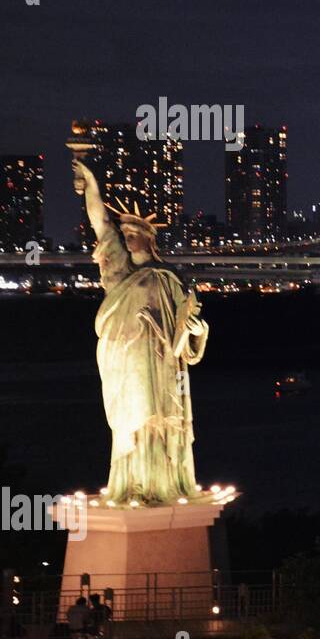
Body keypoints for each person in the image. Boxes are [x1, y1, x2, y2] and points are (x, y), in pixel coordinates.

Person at [72, 158, 209, 505]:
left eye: (134, 236)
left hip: (162, 363)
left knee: (159, 417)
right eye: (126, 235)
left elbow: (188, 328)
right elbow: (100, 223)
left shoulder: (168, 278)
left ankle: (159, 483)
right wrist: (90, 184)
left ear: (149, 240)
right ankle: (133, 483)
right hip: (127, 360)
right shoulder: (117, 269)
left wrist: (198, 330)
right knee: (130, 419)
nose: (128, 240)